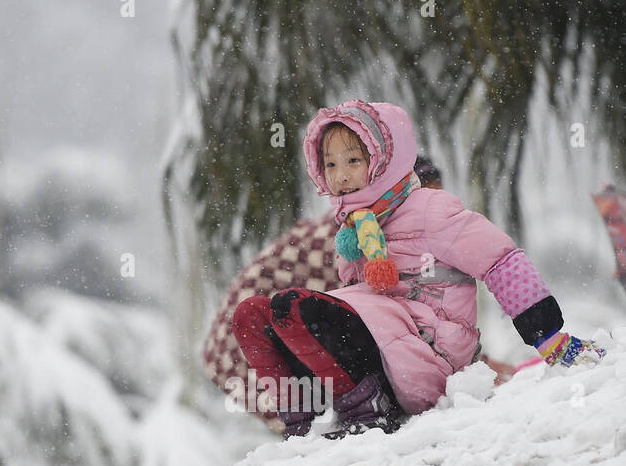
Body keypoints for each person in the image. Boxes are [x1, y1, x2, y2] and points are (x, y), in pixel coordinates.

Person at [232, 99, 604, 438]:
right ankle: (304, 413)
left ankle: (367, 405)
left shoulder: (430, 210)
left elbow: (499, 258)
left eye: (353, 161)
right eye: (330, 164)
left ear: (382, 161)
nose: (340, 176)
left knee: (307, 308)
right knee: (256, 315)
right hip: (386, 342)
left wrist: (548, 336)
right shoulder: (353, 229)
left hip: (430, 353)